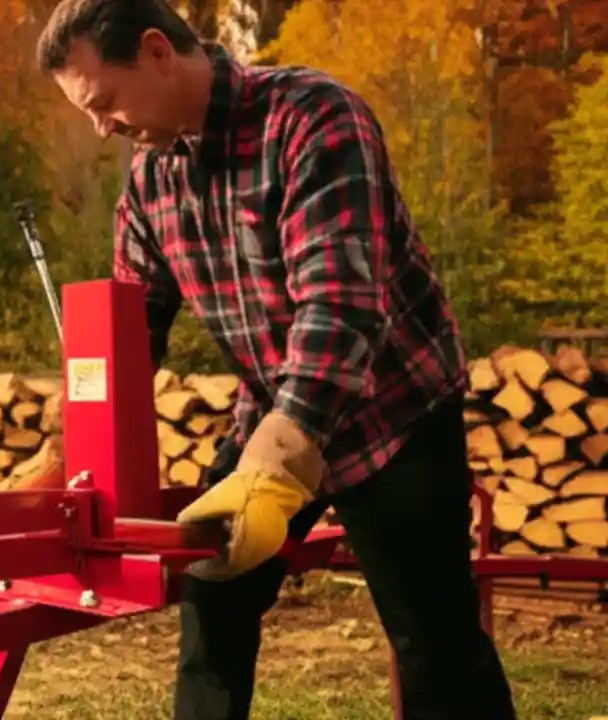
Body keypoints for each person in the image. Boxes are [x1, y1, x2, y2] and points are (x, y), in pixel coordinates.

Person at [34, 1, 517, 719]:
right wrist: (73, 442)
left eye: (104, 103)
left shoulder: (313, 118)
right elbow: (131, 334)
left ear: (159, 51)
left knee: (432, 641)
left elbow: (342, 307)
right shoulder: (150, 182)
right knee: (213, 595)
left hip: (394, 412)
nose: (102, 129)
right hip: (272, 403)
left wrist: (282, 454)